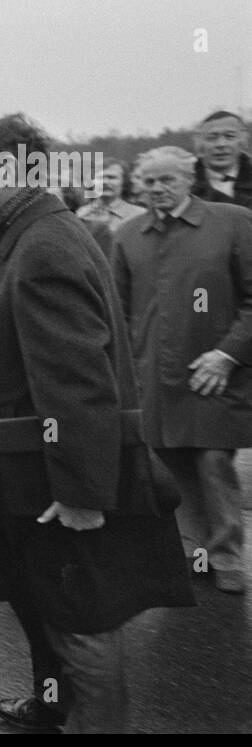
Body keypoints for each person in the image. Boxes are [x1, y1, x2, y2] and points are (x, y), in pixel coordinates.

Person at [0, 115, 193, 733]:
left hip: (52, 482)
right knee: (44, 607)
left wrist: (83, 493)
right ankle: (55, 706)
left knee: (81, 624)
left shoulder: (43, 246)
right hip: (27, 474)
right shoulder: (28, 236)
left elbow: (79, 381)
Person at [113, 146, 252, 595]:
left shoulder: (232, 222)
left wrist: (228, 354)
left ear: (190, 178)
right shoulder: (128, 234)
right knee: (168, 466)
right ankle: (195, 552)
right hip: (153, 374)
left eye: (167, 179)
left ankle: (227, 555)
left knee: (212, 460)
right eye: (149, 181)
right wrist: (126, 370)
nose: (157, 188)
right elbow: (117, 310)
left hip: (215, 371)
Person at [192, 111, 252, 208]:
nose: (221, 144)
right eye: (212, 138)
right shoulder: (184, 185)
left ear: (243, 141)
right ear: (199, 143)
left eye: (229, 136)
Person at [76, 158, 144, 233]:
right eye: (100, 178)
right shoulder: (81, 213)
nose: (105, 182)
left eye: (111, 177)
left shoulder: (139, 215)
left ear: (124, 183)